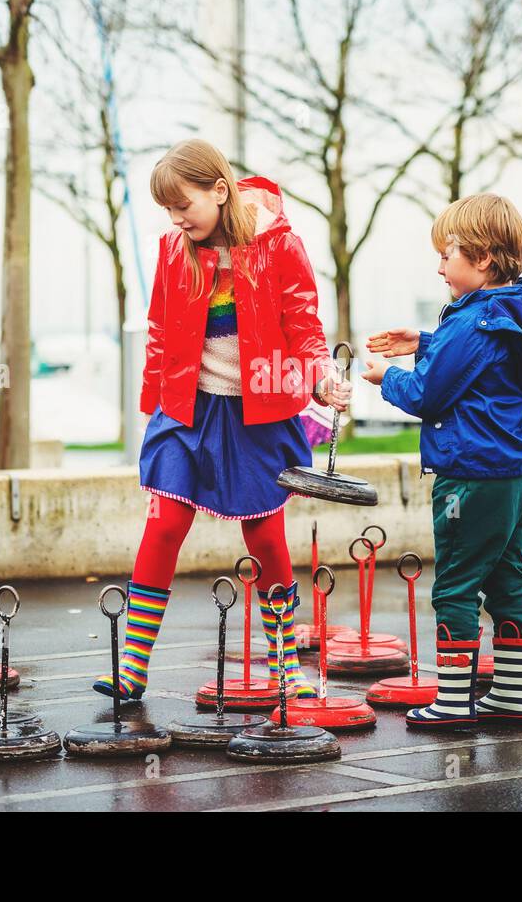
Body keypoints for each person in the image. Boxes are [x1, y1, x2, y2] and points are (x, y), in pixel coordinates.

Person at [94, 138, 351, 702]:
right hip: (185, 409)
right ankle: (132, 670)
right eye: (167, 210)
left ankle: (285, 667)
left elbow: (304, 323)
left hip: (258, 412)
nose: (176, 219)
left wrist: (321, 376)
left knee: (264, 535)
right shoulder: (171, 248)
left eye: (183, 206)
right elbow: (159, 329)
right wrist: (151, 410)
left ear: (220, 190)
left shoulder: (279, 244)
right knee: (162, 525)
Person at [362, 193, 522, 727]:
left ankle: (453, 702)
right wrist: (426, 340)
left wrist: (389, 378)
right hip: (518, 470)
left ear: (484, 258)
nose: (439, 266)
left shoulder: (473, 319)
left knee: (454, 584)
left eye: (448, 253)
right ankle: (513, 695)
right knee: (506, 580)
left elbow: (430, 395)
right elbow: (486, 365)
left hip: (471, 475)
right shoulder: (519, 309)